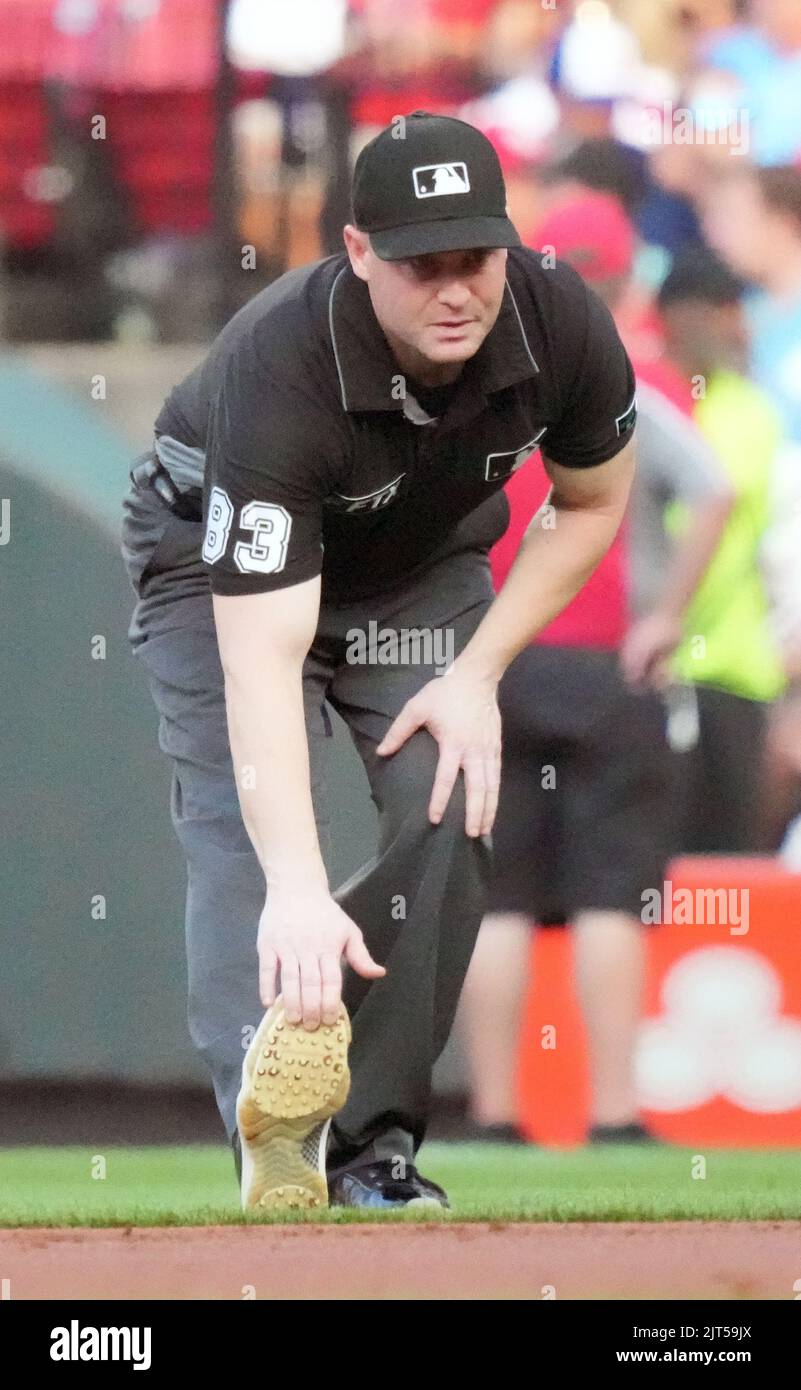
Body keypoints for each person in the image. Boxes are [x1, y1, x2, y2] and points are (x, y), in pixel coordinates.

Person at [119, 111, 637, 1210]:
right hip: (213, 553)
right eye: (422, 265)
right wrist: (303, 890)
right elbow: (263, 660)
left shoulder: (558, 320)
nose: (457, 290)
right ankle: (281, 1140)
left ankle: (373, 1149)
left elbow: (592, 502)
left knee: (450, 787)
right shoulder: (283, 366)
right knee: (245, 836)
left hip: (418, 564)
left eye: (476, 259)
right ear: (358, 253)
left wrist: (478, 674)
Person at [459, 193, 733, 1146]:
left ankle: (493, 1114)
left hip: (493, 670)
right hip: (607, 670)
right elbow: (713, 489)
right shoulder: (628, 381)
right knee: (609, 895)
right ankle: (613, 1112)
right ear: (622, 280)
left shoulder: (479, 385)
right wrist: (664, 618)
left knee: (496, 902)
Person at [656, 246, 785, 853]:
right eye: (726, 308)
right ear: (682, 316)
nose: (740, 324)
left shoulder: (750, 414)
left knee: (730, 868)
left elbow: (760, 547)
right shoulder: (644, 402)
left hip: (730, 676)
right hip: (653, 675)